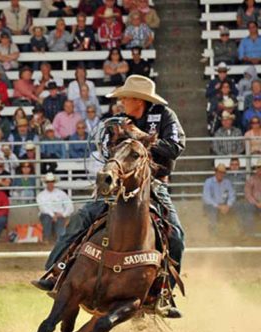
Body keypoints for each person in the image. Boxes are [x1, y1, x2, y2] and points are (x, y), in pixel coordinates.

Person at [35, 75, 186, 319]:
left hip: (153, 185)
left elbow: (175, 148)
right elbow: (107, 151)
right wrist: (118, 138)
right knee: (82, 217)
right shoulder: (117, 121)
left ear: (139, 100)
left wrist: (138, 137)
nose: (121, 101)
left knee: (176, 235)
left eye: (125, 97)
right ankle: (56, 271)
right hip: (117, 184)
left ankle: (164, 292)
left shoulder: (165, 116)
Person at [36, 173, 73, 243]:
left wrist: (64, 214)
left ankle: (60, 240)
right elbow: (43, 208)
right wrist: (53, 215)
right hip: (47, 215)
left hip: (59, 215)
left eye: (51, 181)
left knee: (60, 225)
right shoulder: (41, 195)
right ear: (46, 183)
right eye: (48, 182)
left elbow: (69, 205)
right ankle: (46, 239)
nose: (50, 184)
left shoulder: (61, 193)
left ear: (54, 182)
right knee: (46, 219)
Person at [203, 164, 236, 235]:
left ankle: (231, 233)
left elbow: (232, 195)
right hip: (212, 205)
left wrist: (228, 205)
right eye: (219, 172)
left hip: (224, 205)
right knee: (212, 212)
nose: (221, 174)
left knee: (236, 210)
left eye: (223, 173)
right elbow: (207, 198)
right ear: (216, 172)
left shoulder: (227, 182)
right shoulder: (208, 182)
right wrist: (219, 206)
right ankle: (214, 234)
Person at [241, 163, 261, 237]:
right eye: (259, 167)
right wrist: (256, 203)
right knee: (248, 208)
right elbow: (248, 194)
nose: (260, 169)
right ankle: (250, 234)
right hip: (253, 204)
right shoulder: (251, 180)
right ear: (256, 169)